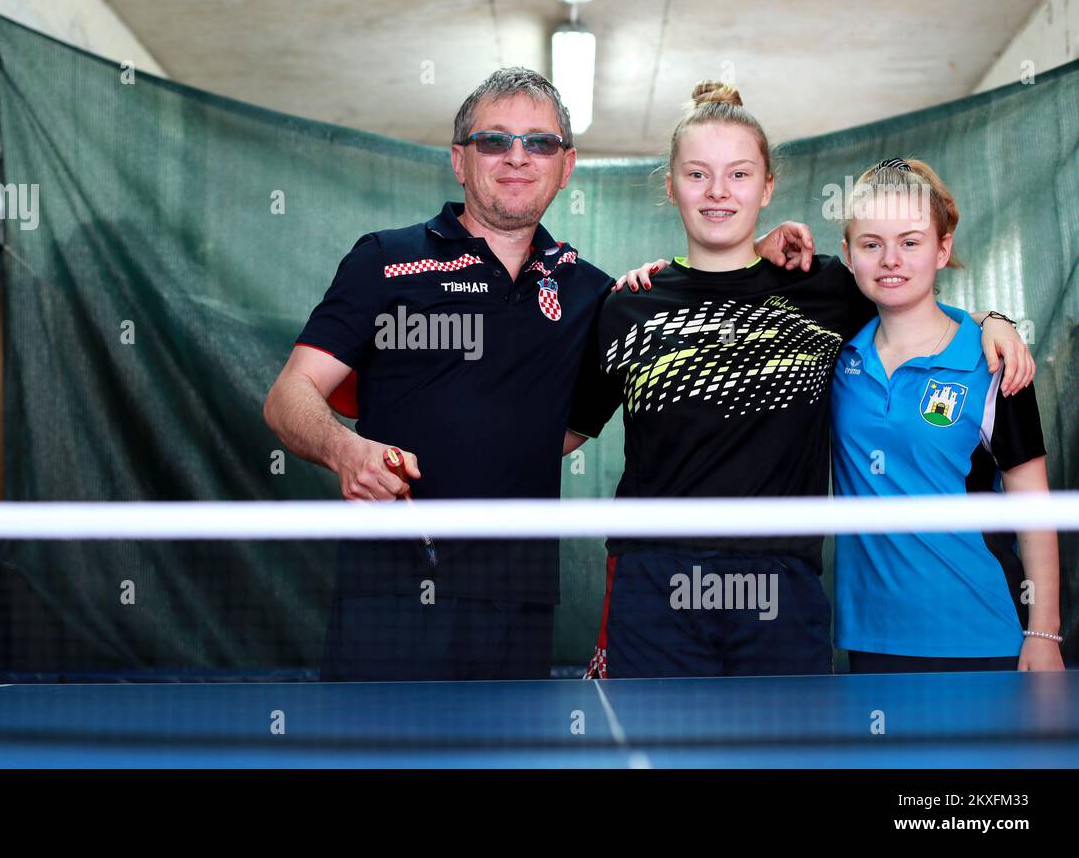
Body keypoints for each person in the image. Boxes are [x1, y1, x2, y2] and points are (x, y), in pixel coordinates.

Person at [263, 68, 806, 681]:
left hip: (519, 605)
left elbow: (578, 418)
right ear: (459, 161)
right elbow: (290, 394)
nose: (517, 157)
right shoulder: (384, 260)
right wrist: (345, 449)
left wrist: (760, 254)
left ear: (566, 164)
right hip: (390, 597)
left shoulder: (597, 294)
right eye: (494, 141)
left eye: (539, 142)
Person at [566, 81, 1034, 679]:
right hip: (654, 585)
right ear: (670, 184)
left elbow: (917, 309)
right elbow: (566, 432)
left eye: (738, 175)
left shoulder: (825, 287)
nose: (717, 193)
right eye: (697, 174)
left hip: (780, 588)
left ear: (767, 187)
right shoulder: (630, 304)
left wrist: (992, 321)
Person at [830, 156, 1064, 673]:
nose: (891, 259)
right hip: (871, 637)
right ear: (848, 256)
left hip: (980, 634)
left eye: (911, 242)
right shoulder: (834, 355)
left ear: (943, 249)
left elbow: (1036, 513)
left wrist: (1044, 634)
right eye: (872, 244)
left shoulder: (995, 361)